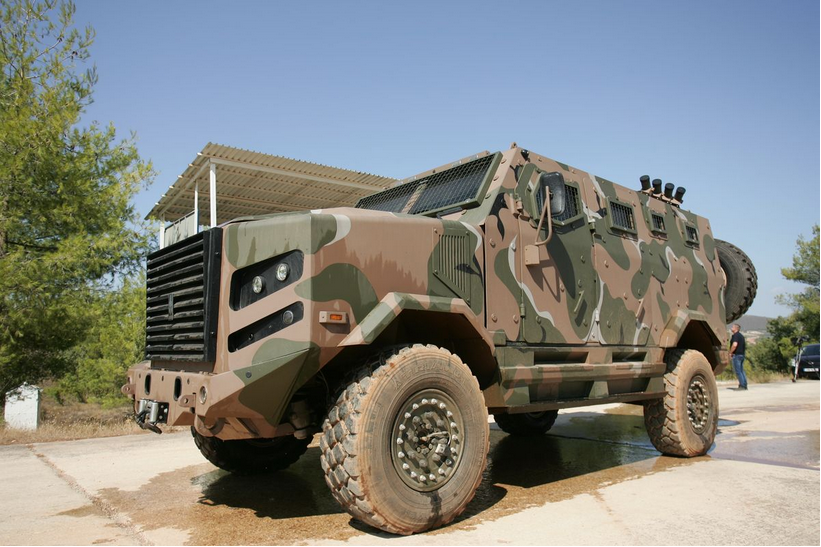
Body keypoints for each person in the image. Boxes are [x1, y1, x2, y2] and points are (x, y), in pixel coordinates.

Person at [729, 324, 747, 390]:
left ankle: (742, 385)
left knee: (738, 371)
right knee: (742, 371)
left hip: (737, 355)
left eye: (732, 327)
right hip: (742, 355)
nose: (731, 328)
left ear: (736, 328)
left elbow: (734, 345)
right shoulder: (741, 336)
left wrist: (730, 353)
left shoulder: (736, 336)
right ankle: (745, 385)